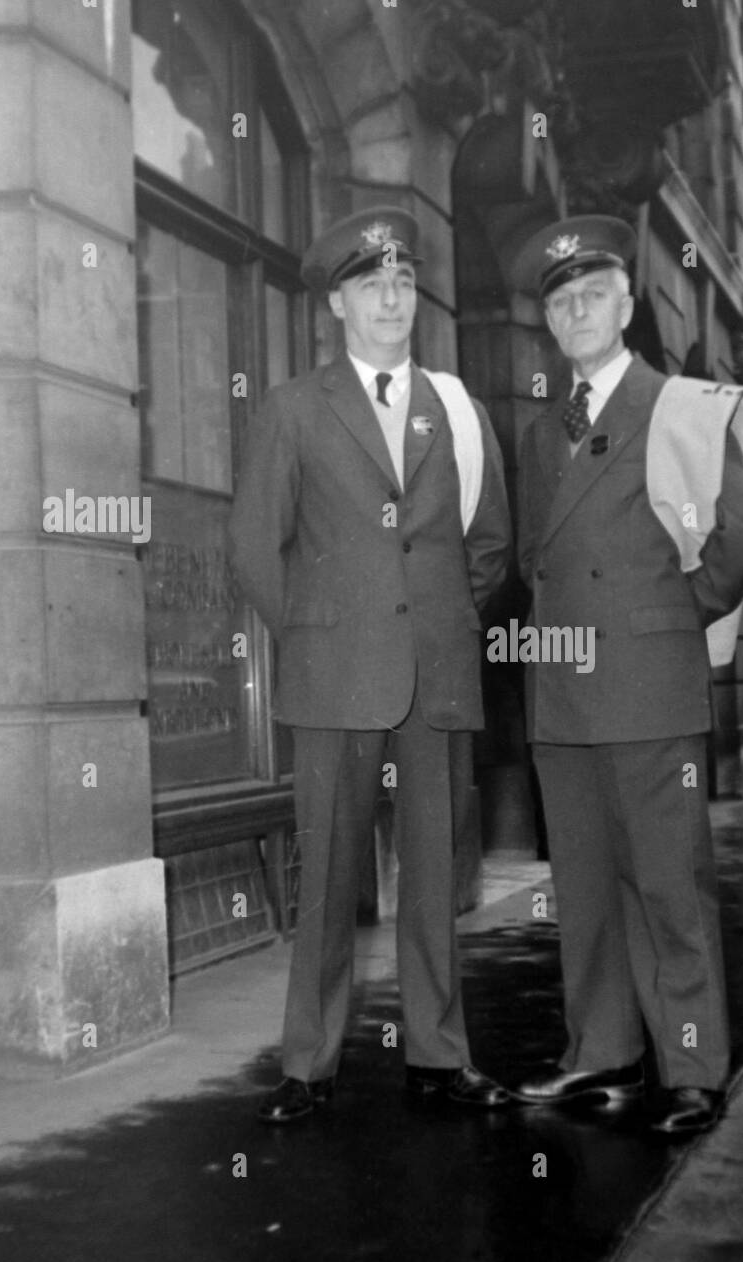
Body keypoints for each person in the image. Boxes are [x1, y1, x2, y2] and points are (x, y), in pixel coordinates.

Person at [229, 207, 514, 1122]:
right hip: (335, 677)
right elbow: (252, 549)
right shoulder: (293, 409)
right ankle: (308, 1064)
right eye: (370, 286)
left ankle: (437, 1056)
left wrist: (436, 624)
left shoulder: (457, 409)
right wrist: (315, 632)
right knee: (329, 879)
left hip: (434, 676)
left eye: (402, 285)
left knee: (436, 875)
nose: (390, 300)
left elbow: (492, 545)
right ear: (338, 306)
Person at [509, 216, 743, 1136]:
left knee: (668, 885)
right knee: (585, 892)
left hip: (644, 685)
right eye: (561, 301)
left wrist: (681, 612)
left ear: (627, 305)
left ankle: (694, 1068)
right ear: (550, 324)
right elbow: (528, 558)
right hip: (563, 694)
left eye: (593, 295)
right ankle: (603, 1056)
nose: (577, 311)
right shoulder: (540, 431)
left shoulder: (682, 407)